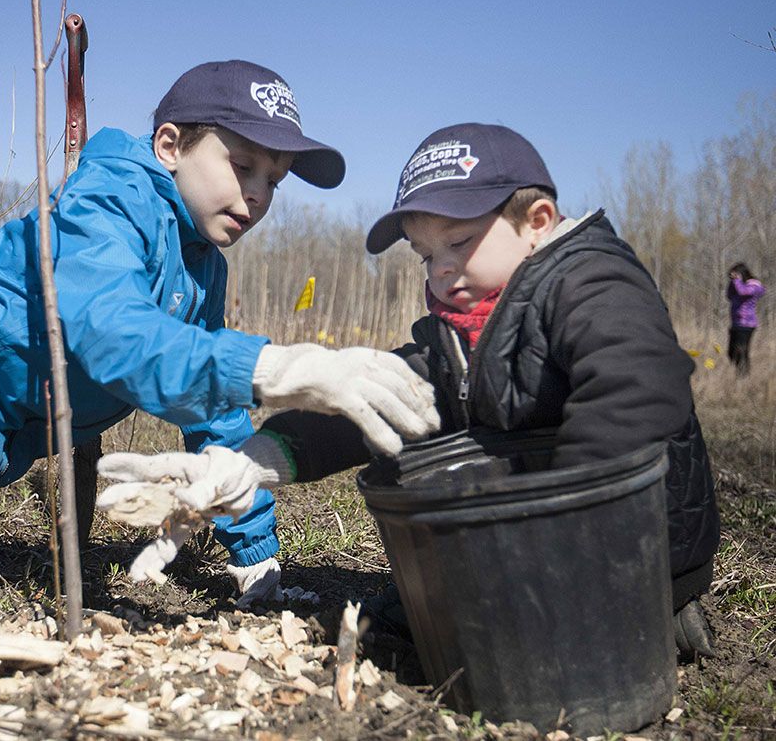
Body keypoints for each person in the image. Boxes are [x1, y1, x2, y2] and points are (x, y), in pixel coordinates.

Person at [0, 60, 440, 636]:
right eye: (241, 166)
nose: (258, 194)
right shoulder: (110, 203)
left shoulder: (201, 263)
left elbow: (211, 410)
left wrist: (255, 551)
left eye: (275, 178)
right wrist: (279, 367)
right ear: (171, 144)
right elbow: (110, 330)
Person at [99, 123, 721, 659]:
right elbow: (367, 408)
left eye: (458, 243)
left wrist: (549, 551)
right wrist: (249, 465)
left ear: (536, 223)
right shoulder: (466, 333)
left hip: (630, 547)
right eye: (425, 254)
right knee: (413, 610)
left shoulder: (593, 282)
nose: (441, 269)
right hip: (534, 547)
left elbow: (632, 403)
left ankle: (649, 612)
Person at [726, 262, 765, 376]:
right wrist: (732, 282)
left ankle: (743, 375)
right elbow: (729, 295)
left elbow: (743, 292)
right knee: (731, 352)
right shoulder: (738, 285)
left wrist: (737, 280)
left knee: (741, 350)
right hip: (735, 323)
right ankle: (741, 372)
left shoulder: (754, 285)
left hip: (746, 324)